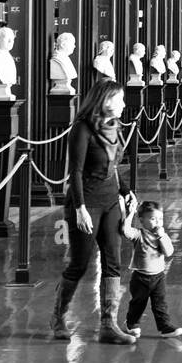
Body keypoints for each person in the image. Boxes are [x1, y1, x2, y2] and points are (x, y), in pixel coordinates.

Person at [49, 80, 136, 344]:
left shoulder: (115, 126)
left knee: (113, 262)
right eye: (119, 99)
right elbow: (74, 171)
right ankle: (58, 317)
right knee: (79, 263)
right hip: (87, 204)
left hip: (110, 203)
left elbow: (114, 165)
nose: (123, 104)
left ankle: (108, 325)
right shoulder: (82, 128)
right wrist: (80, 209)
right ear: (105, 100)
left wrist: (126, 191)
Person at [122, 200, 182, 339]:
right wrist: (130, 213)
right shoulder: (139, 234)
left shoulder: (162, 235)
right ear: (142, 220)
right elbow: (125, 231)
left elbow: (169, 252)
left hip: (158, 277)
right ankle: (131, 324)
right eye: (152, 218)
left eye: (160, 219)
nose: (157, 222)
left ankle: (165, 327)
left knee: (160, 304)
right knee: (138, 303)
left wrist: (161, 235)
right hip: (140, 278)